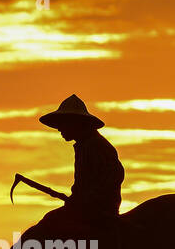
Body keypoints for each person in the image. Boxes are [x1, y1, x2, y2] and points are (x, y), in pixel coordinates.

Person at [38, 94, 124, 224]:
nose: (59, 129)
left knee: (51, 222)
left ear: (75, 123)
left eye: (62, 124)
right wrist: (75, 199)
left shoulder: (96, 145)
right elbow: (82, 185)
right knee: (50, 221)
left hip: (100, 211)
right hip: (85, 208)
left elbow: (114, 176)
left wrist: (87, 200)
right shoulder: (84, 145)